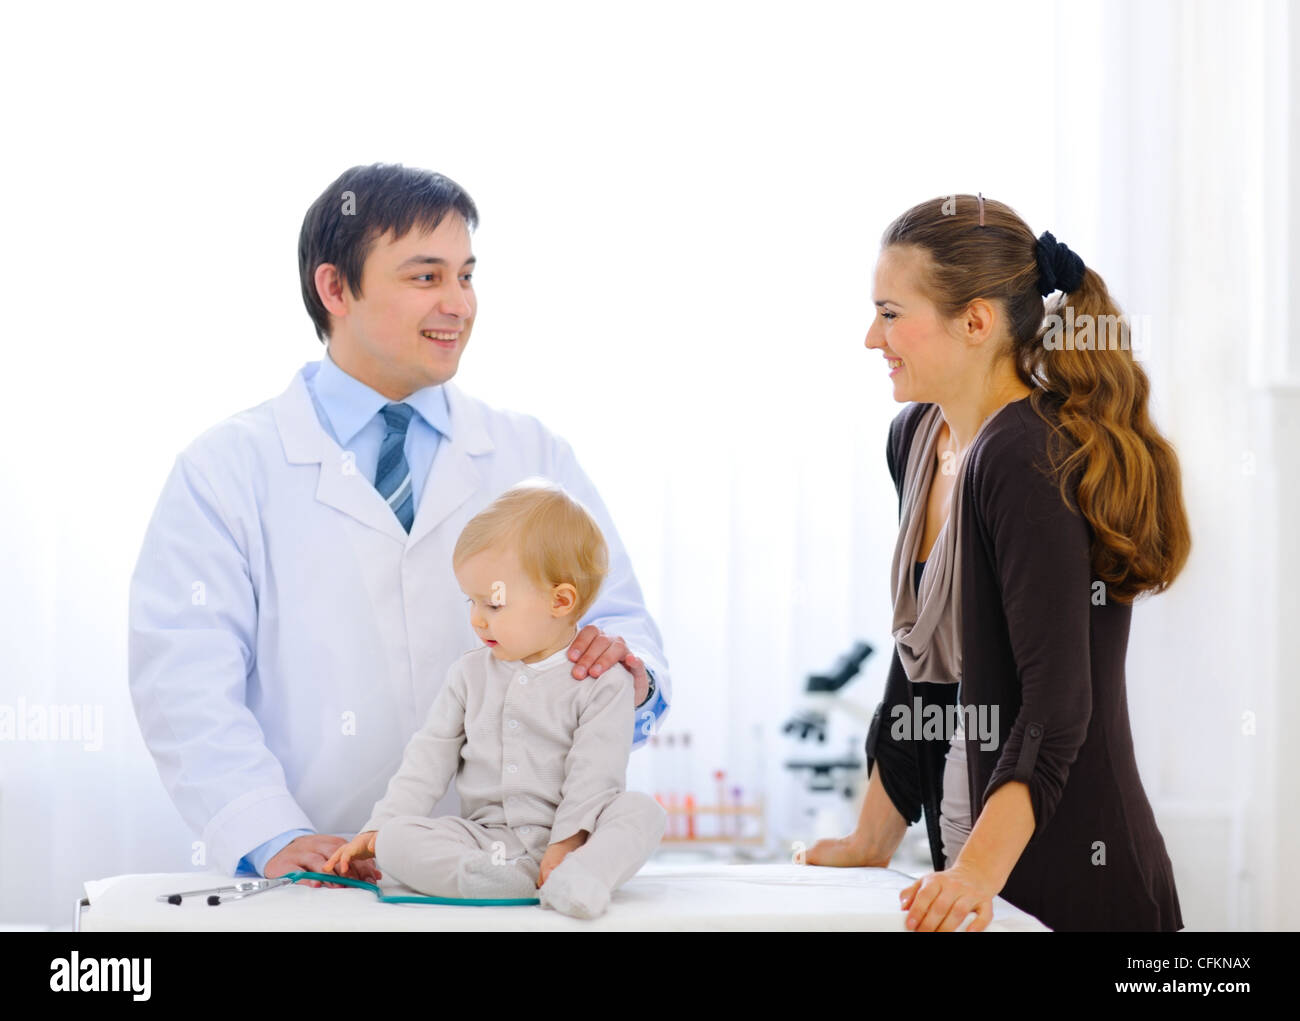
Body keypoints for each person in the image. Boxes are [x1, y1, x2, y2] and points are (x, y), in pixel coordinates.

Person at [128, 163, 671, 885]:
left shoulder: (529, 454)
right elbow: (183, 678)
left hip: (516, 875)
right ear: (334, 289)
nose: (459, 304)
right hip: (318, 879)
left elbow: (622, 622)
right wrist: (268, 830)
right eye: (426, 278)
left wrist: (626, 674)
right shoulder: (226, 469)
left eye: (467, 275)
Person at [807, 194, 1189, 933]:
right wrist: (872, 840)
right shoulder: (918, 441)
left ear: (976, 322)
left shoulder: (1026, 455)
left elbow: (1057, 705)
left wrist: (978, 871)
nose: (869, 337)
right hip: (977, 876)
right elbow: (924, 664)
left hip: (1075, 886)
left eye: (890, 313)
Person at [324, 481, 667, 919]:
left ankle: (581, 875)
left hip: (580, 836)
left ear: (560, 601)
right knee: (395, 840)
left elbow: (594, 775)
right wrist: (376, 831)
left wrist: (564, 845)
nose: (477, 618)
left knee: (642, 812)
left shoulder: (602, 681)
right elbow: (426, 761)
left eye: (493, 603)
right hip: (487, 840)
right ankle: (498, 879)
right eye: (471, 600)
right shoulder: (469, 674)